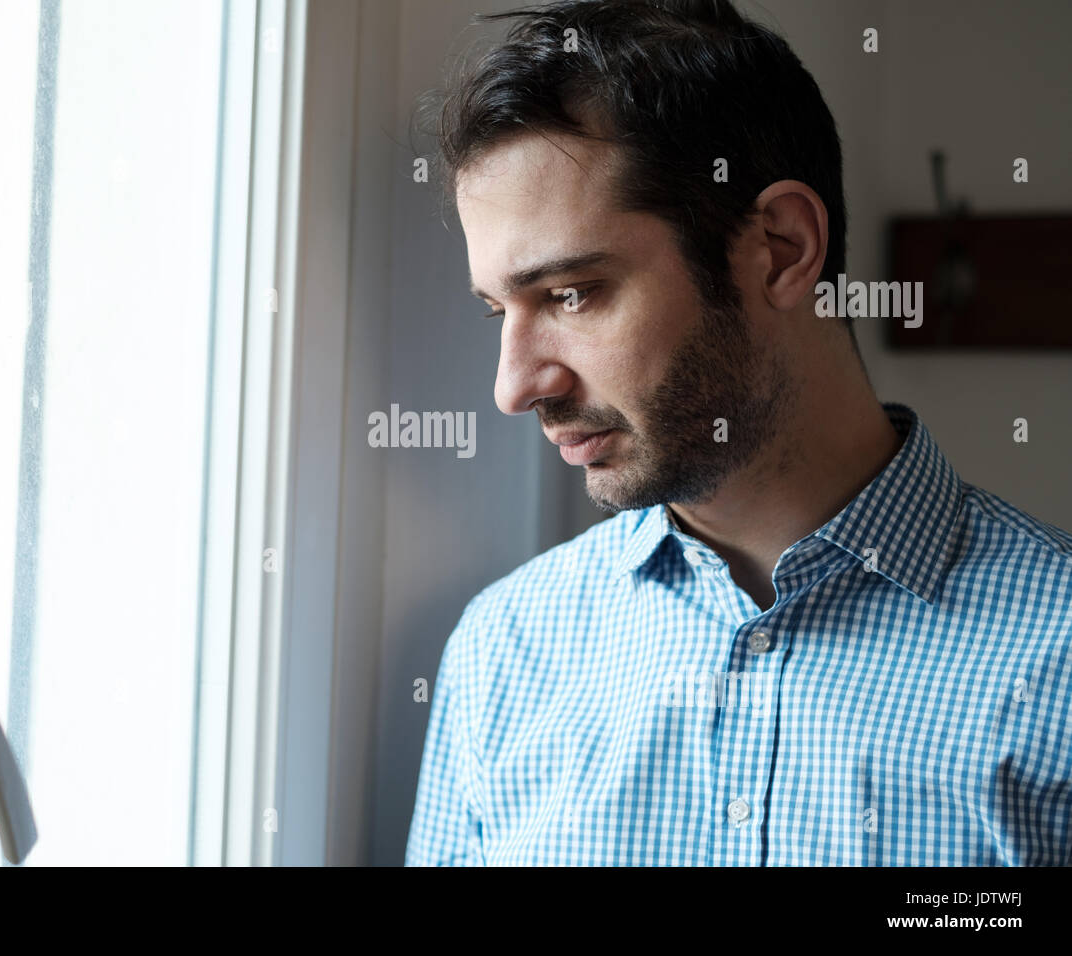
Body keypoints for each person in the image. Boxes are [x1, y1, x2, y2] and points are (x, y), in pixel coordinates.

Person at [405, 0, 1072, 865]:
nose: (514, 386)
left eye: (571, 293)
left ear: (782, 249)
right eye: (500, 310)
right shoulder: (502, 653)